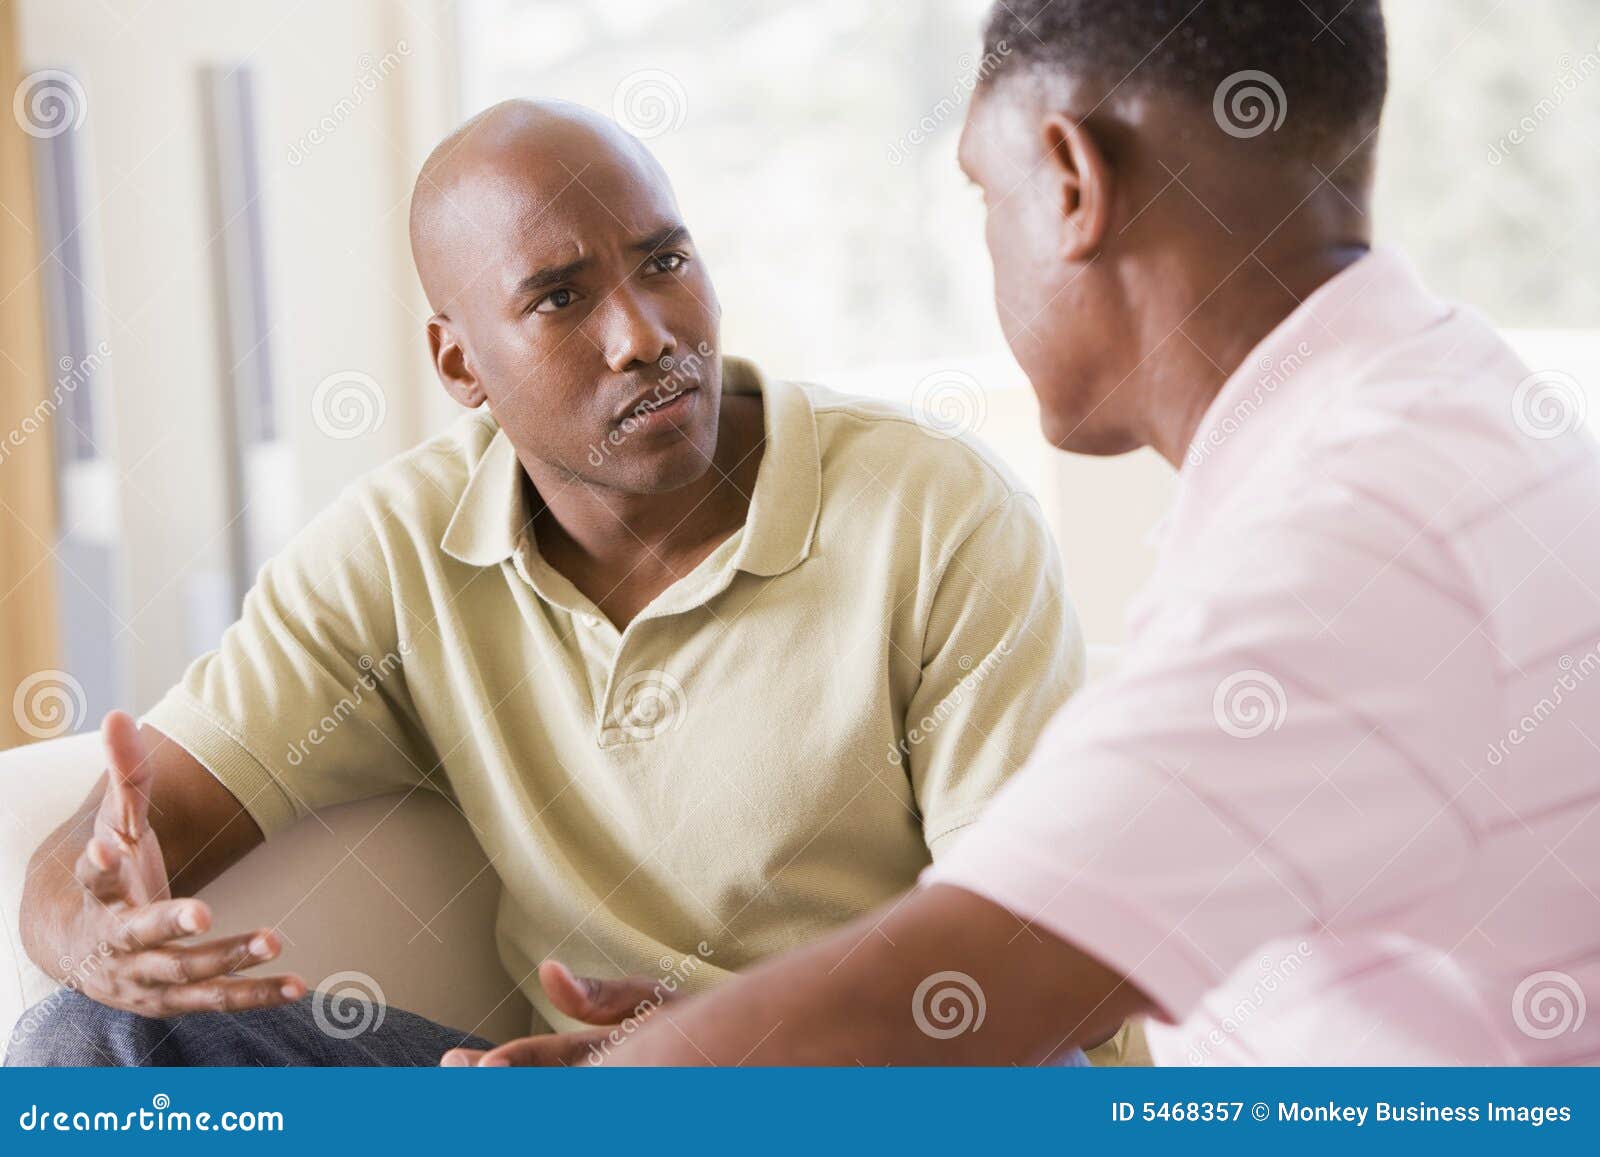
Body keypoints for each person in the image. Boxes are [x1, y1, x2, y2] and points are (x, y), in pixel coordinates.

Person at [501, 0, 1600, 1067]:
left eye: (984, 192)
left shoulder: (1353, 530)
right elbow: (985, 995)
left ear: (1072, 183)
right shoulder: (1434, 412)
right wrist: (755, 1047)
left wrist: (648, 1090)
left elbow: (963, 986)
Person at [7, 100, 1089, 1067]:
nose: (645, 336)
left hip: (895, 1084)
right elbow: (129, 830)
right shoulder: (398, 545)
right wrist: (91, 927)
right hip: (577, 1095)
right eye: (562, 298)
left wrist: (722, 1050)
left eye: (664, 262)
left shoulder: (934, 507)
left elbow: (1038, 955)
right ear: (460, 366)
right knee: (88, 1036)